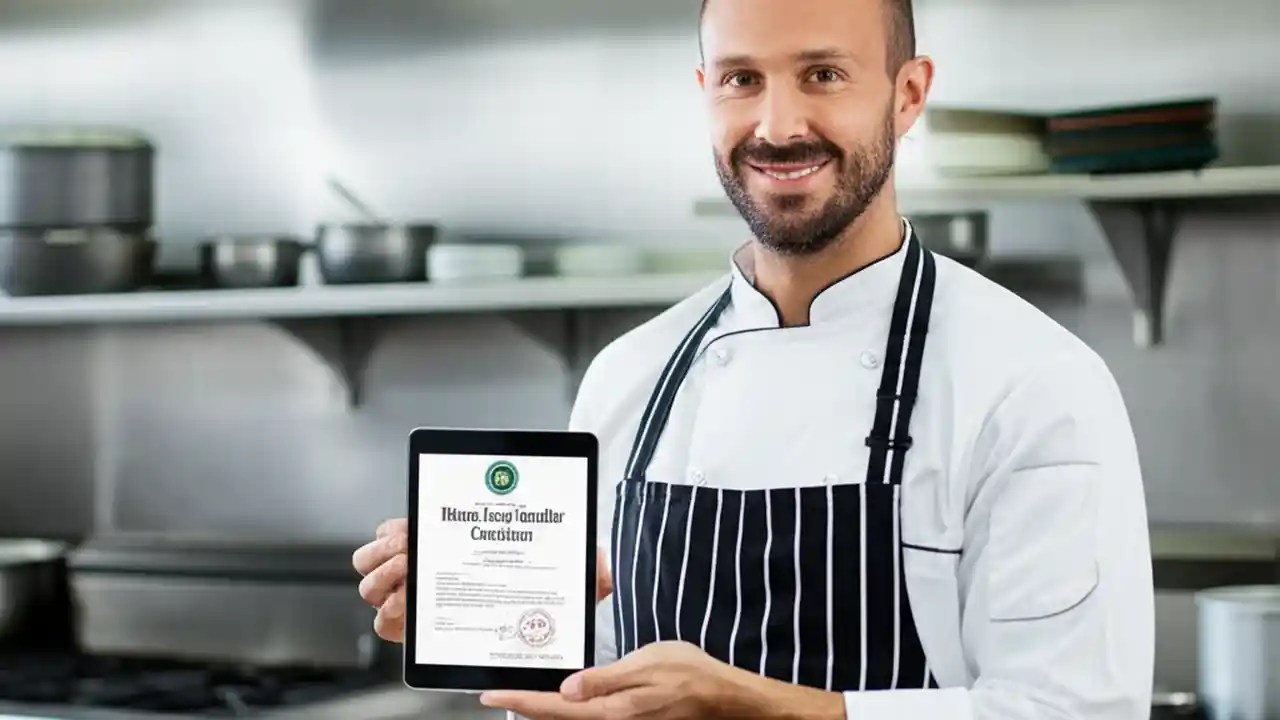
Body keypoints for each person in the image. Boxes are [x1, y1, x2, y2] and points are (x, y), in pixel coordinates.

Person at [352, 0, 1156, 717]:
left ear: (909, 94)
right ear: (704, 89)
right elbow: (584, 693)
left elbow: (1073, 710)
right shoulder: (629, 378)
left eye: (824, 74)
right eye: (741, 79)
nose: (777, 126)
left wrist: (772, 713)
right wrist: (477, 604)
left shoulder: (1033, 384)